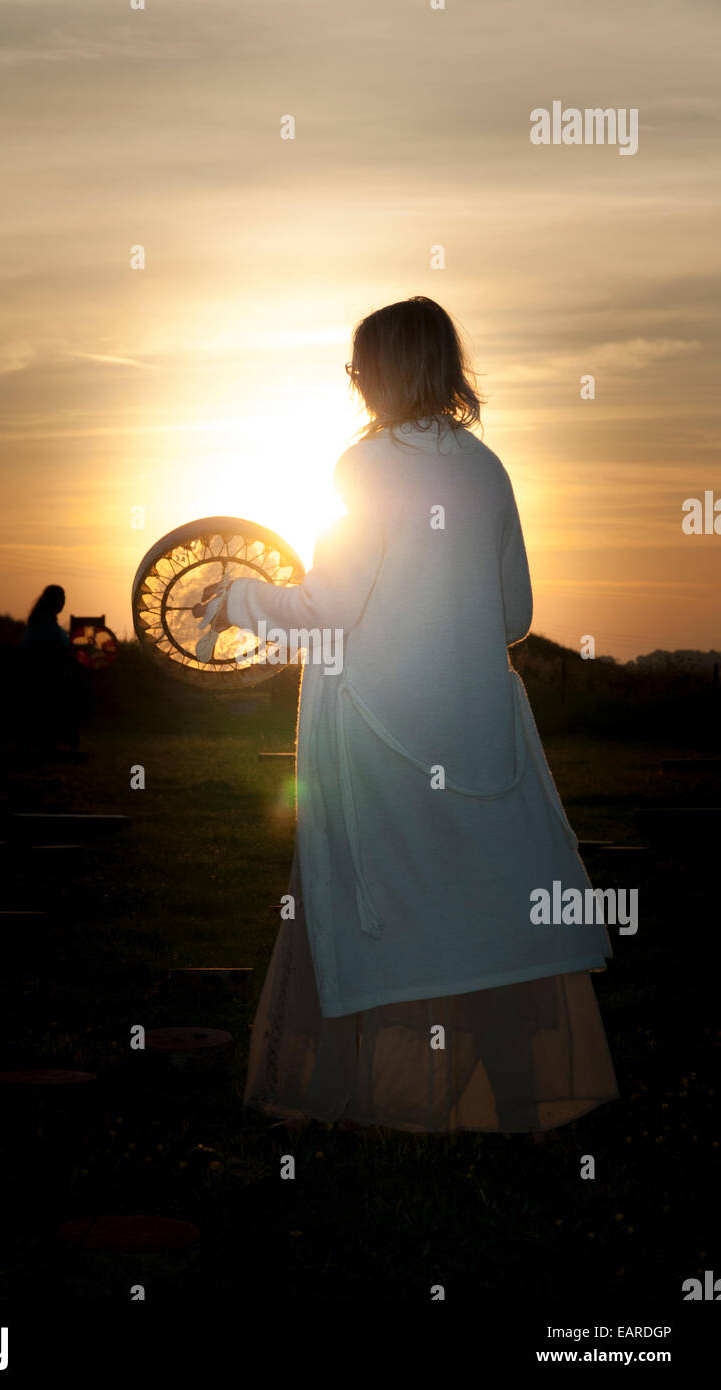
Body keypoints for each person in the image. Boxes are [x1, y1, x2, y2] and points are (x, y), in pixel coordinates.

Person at [200, 296, 619, 1134]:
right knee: (484, 913)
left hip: (378, 738)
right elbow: (513, 613)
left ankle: (337, 1104)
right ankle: (515, 1104)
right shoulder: (486, 466)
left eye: (358, 369)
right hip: (473, 737)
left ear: (378, 373)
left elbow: (329, 605)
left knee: (368, 903)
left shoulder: (365, 466)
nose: (354, 385)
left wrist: (234, 597)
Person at [21, 584, 80, 754]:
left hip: (45, 675)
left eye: (64, 599)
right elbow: (52, 651)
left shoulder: (40, 622)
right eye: (61, 599)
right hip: (48, 677)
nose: (63, 602)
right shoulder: (45, 625)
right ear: (53, 601)